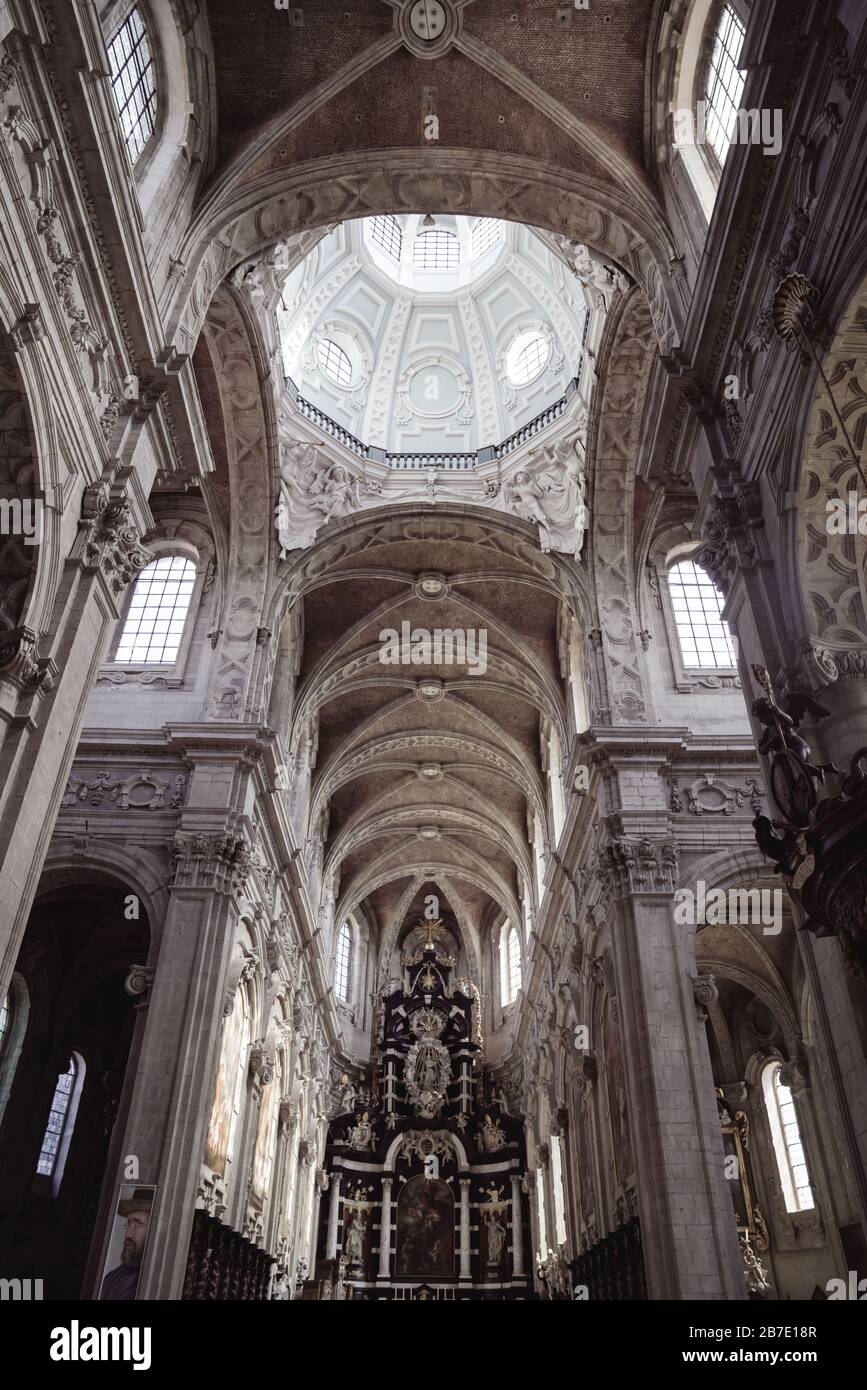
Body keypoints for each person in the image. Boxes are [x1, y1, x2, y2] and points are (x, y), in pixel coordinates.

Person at [99, 1189, 153, 1300]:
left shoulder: (155, 1278)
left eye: (138, 1224)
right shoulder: (111, 1277)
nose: (128, 1234)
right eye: (128, 1224)